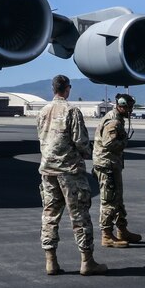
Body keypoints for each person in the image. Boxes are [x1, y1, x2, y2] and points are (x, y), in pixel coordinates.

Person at [37, 75, 106, 276]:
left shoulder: (43, 111)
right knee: (79, 216)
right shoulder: (71, 111)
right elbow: (81, 141)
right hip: (70, 171)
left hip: (48, 170)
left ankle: (51, 261)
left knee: (50, 215)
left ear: (53, 89)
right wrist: (89, 153)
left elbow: (42, 138)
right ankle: (87, 261)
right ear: (67, 88)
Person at [93, 93, 141, 247]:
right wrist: (123, 142)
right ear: (120, 106)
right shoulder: (113, 121)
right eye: (128, 107)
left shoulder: (119, 119)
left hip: (112, 164)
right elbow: (109, 143)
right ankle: (106, 235)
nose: (130, 110)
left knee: (117, 199)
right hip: (107, 165)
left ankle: (122, 230)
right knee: (109, 200)